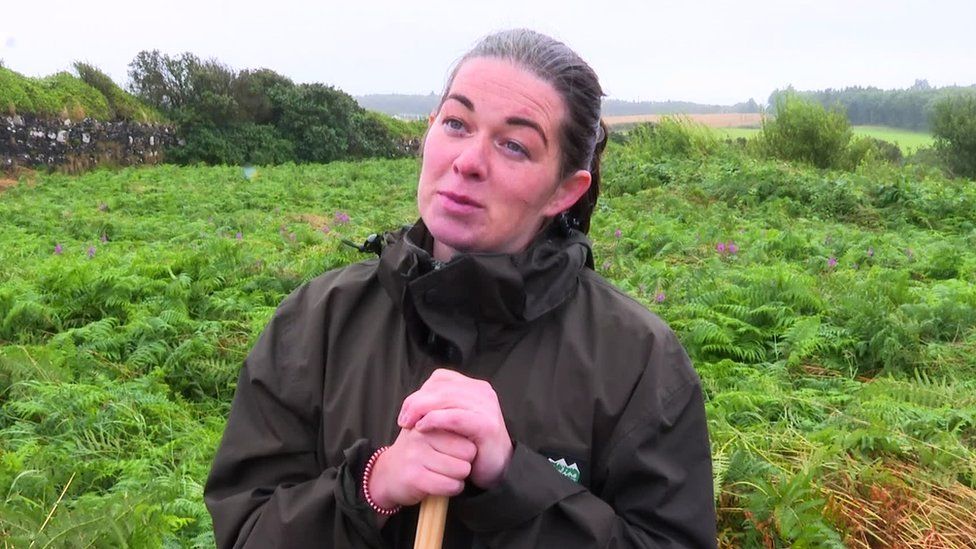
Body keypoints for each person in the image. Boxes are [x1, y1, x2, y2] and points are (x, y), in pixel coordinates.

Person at [205, 29, 717, 548]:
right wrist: (372, 487)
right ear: (430, 131)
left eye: (514, 145)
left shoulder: (638, 361)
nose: (469, 161)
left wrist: (510, 478)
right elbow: (245, 533)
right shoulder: (316, 322)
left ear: (565, 190)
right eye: (456, 123)